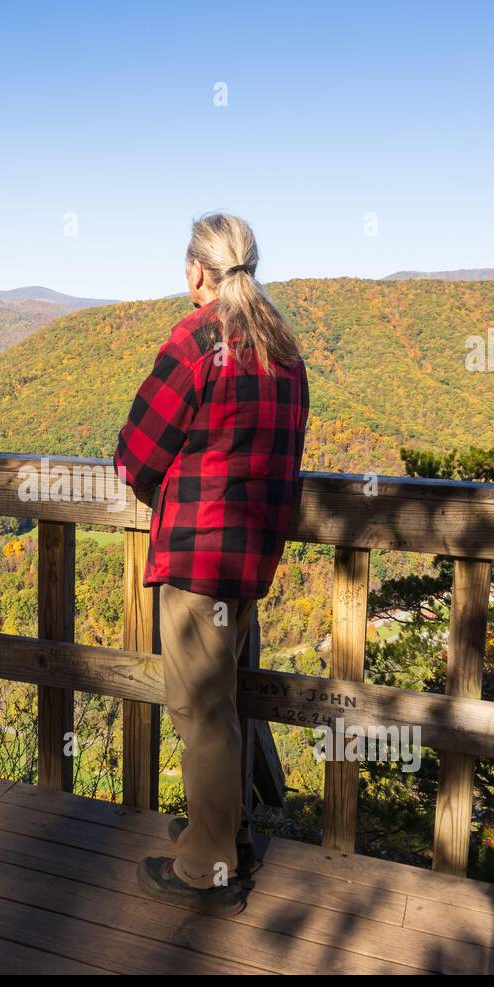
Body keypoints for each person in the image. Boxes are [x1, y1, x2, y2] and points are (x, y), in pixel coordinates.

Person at [114, 212, 309, 916]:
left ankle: (206, 864)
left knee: (199, 708)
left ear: (197, 270)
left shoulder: (196, 341)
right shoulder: (284, 348)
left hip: (198, 554)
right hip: (252, 553)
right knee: (218, 700)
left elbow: (137, 453)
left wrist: (159, 484)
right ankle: (224, 830)